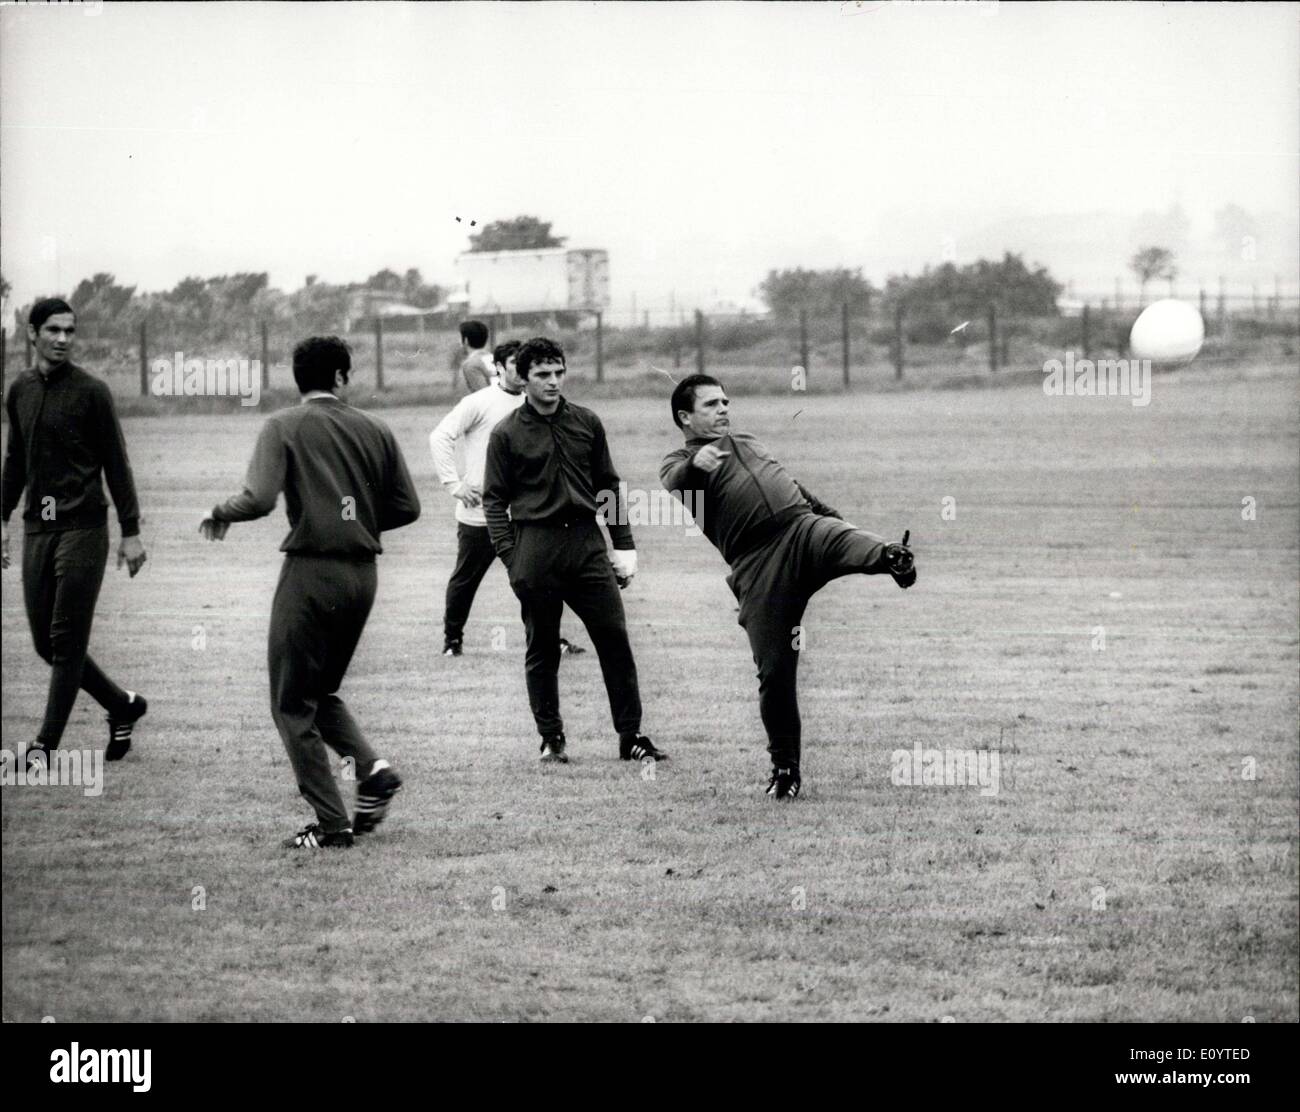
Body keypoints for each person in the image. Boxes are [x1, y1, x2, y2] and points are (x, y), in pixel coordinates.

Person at [200, 336, 420, 848]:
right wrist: (358, 520)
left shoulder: (283, 425)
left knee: (291, 702)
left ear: (297, 380)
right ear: (341, 377)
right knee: (318, 693)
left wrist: (218, 511)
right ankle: (374, 770)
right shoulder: (376, 427)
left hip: (312, 574)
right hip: (363, 576)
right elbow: (407, 507)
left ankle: (331, 824)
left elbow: (258, 498)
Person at [659, 374, 915, 800]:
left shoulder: (749, 440)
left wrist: (838, 522)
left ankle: (892, 558)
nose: (724, 408)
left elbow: (799, 491)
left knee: (848, 540)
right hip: (759, 565)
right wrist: (693, 466)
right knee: (774, 673)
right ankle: (785, 770)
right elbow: (675, 482)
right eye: (711, 405)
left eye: (726, 401)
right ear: (685, 417)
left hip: (802, 528)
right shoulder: (677, 461)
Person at [482, 337, 665, 765]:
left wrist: (624, 545)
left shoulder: (587, 421)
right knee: (542, 647)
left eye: (559, 372)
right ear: (522, 379)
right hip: (536, 546)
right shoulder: (505, 433)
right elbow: (493, 500)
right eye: (543, 375)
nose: (553, 382)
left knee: (615, 640)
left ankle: (631, 737)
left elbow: (607, 485)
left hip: (585, 544)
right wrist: (512, 556)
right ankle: (551, 738)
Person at [1, 297, 149, 770]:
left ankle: (45, 746)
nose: (63, 338)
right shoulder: (19, 389)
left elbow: (117, 464)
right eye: (54, 330)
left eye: (70, 330)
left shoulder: (92, 391)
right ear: (32, 333)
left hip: (83, 528)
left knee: (66, 640)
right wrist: (1, 518)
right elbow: (15, 463)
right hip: (38, 528)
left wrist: (130, 531)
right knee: (47, 645)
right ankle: (121, 705)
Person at [429, 339, 585, 657]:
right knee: (466, 578)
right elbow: (440, 436)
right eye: (515, 363)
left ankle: (550, 638)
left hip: (528, 513)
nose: (522, 369)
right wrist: (455, 484)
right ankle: (452, 640)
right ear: (499, 368)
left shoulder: (536, 404)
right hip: (482, 514)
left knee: (539, 578)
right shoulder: (479, 401)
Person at [458, 320, 495, 393]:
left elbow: (483, 394)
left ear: (466, 340)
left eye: (459, 337)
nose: (458, 341)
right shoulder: (496, 358)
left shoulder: (471, 364)